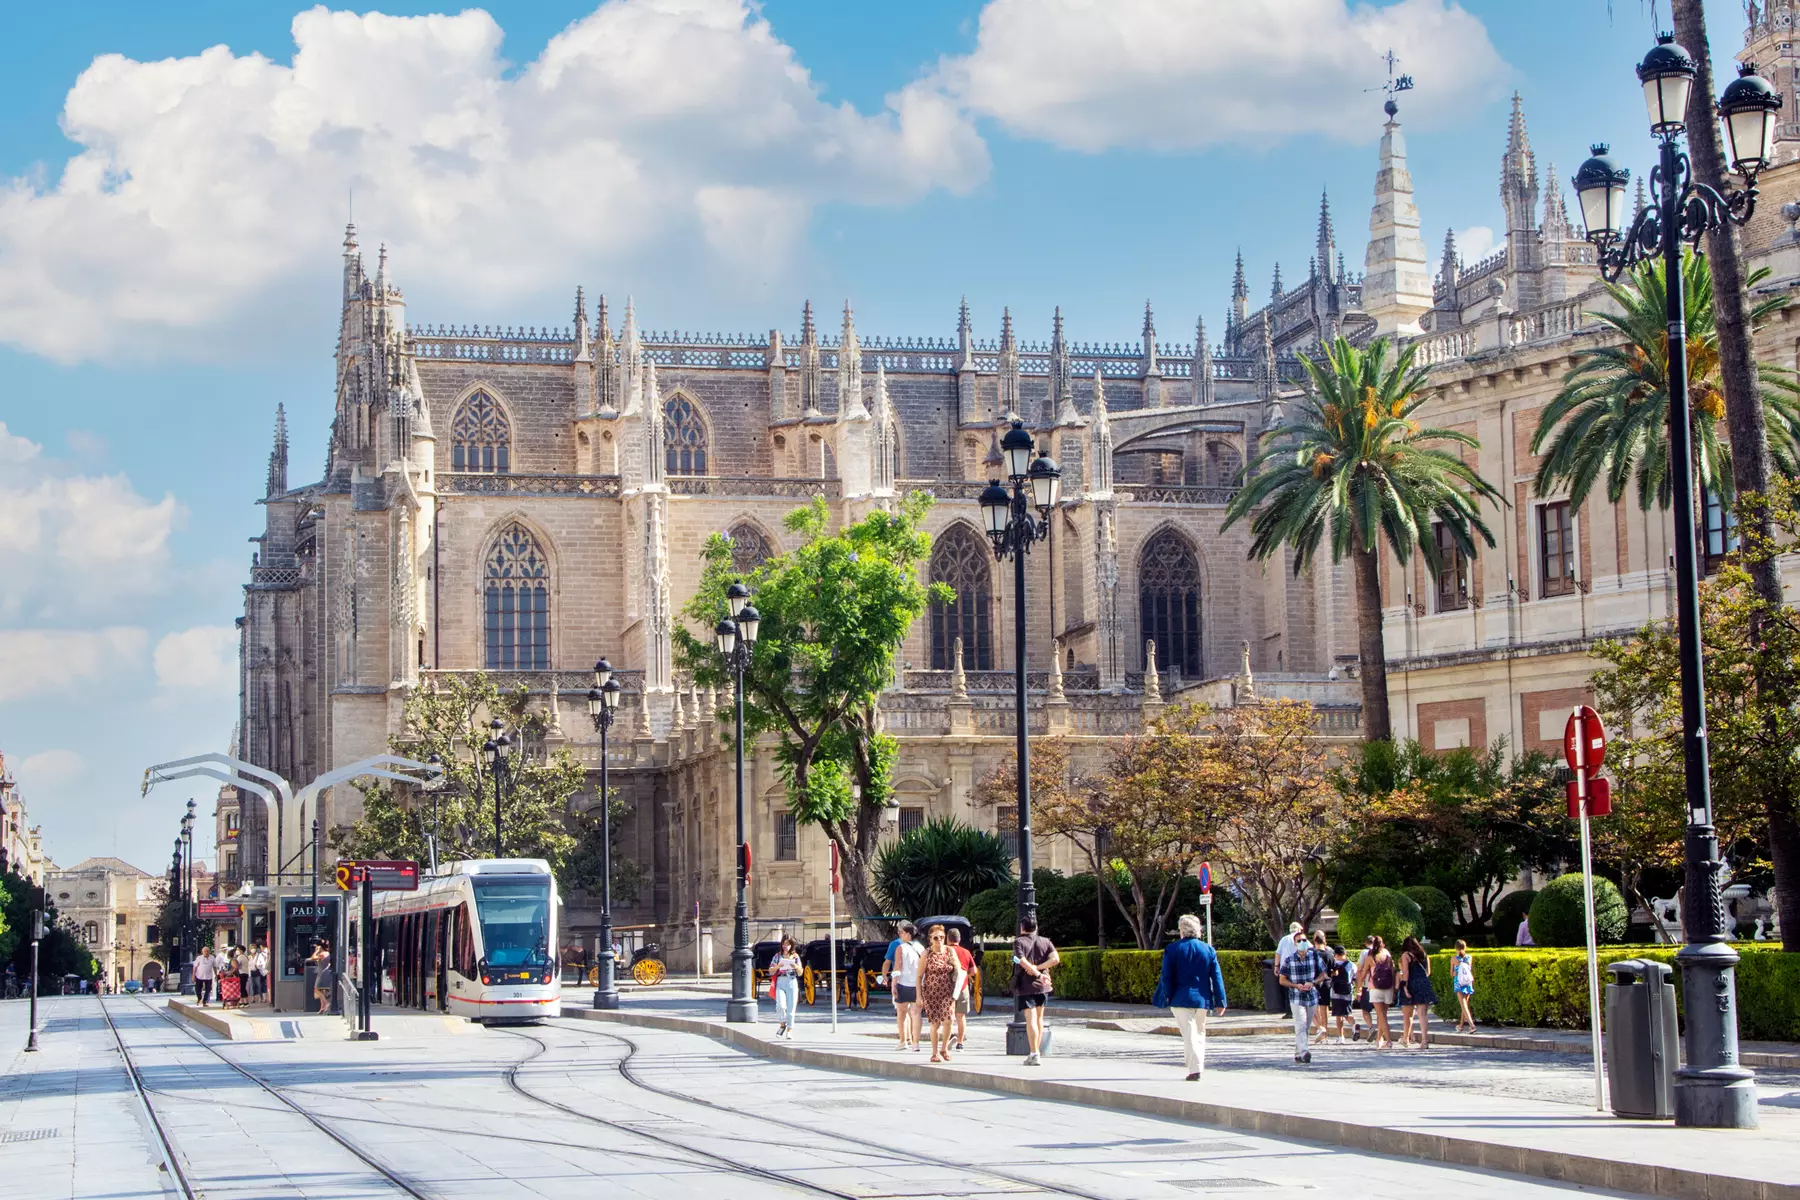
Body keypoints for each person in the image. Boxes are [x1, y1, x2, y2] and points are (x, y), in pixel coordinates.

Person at [1151, 913, 1228, 1081]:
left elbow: (1166, 977)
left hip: (1180, 999)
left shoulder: (1172, 949)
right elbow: (1216, 977)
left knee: (1189, 1035)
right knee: (1200, 1034)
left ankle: (1195, 1069)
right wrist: (1221, 1000)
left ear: (1182, 930)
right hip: (1202, 999)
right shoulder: (1208, 949)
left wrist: (1166, 996)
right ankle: (1197, 1066)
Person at [1276, 929, 1330, 1064]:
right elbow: (1282, 979)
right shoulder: (1289, 960)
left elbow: (1324, 974)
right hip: (1296, 996)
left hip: (1311, 996)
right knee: (1300, 1023)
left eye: (1304, 940)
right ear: (1294, 944)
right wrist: (1296, 986)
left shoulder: (1315, 956)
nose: (1302, 943)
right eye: (1299, 941)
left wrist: (1313, 982)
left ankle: (1298, 1052)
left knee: (1306, 1025)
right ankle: (1305, 1051)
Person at [1012, 916, 1059, 1067]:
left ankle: (1034, 1053)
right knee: (1039, 1019)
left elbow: (1022, 961)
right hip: (1043, 986)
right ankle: (1036, 1052)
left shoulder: (1019, 941)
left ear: (1022, 928)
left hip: (1026, 985)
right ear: (1036, 927)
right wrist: (1040, 970)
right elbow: (1055, 959)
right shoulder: (1046, 941)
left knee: (1030, 1019)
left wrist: (1035, 972)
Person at [916, 924, 966, 1063]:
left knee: (949, 1020)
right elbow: (919, 976)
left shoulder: (950, 951)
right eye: (936, 938)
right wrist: (919, 996)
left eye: (942, 937)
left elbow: (957, 969)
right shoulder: (927, 953)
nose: (939, 940)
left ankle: (944, 1048)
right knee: (935, 1024)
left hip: (947, 993)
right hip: (931, 993)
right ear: (930, 939)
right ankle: (934, 1052)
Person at [881, 922, 923, 1050]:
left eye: (902, 933)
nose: (900, 935)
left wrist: (893, 984)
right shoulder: (921, 948)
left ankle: (903, 1040)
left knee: (901, 1014)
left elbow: (897, 968)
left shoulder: (901, 948)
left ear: (908, 934)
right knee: (916, 1014)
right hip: (918, 985)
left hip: (903, 984)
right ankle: (916, 1043)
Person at [1356, 934, 1396, 1049]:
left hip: (1375, 987)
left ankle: (1388, 1040)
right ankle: (1379, 1039)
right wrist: (1393, 988)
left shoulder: (1370, 957)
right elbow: (1392, 971)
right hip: (1388, 987)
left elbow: (1363, 974)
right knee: (1383, 1015)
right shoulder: (1387, 955)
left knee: (1380, 1015)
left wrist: (1359, 986)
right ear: (1383, 944)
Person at [1397, 935, 1436, 1049]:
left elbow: (1406, 974)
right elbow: (1428, 972)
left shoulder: (1406, 955)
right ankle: (1424, 1041)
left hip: (1411, 984)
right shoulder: (1424, 954)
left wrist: (1404, 987)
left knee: (1408, 1014)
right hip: (1424, 984)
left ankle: (1406, 1039)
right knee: (1423, 1014)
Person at [946, 927, 975, 1051]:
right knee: (960, 1016)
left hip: (947, 987)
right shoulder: (966, 952)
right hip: (962, 987)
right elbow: (973, 971)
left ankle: (946, 1041)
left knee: (948, 1016)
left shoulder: (945, 951)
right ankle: (960, 1043)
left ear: (948, 939)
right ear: (959, 939)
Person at [769, 935, 803, 1039]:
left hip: (792, 981)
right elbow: (771, 970)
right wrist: (778, 966)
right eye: (784, 944)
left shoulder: (795, 956)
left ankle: (789, 1030)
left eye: (788, 944)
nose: (785, 946)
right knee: (780, 1005)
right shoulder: (778, 956)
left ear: (791, 945)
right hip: (781, 980)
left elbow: (801, 972)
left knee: (791, 1008)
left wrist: (795, 967)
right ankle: (782, 1024)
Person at [1327, 946, 1355, 1043]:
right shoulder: (1351, 965)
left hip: (1336, 992)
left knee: (1339, 1015)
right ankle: (1354, 1025)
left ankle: (1341, 1037)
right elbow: (1355, 978)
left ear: (1336, 955)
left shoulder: (1334, 965)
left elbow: (1329, 976)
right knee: (1347, 1012)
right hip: (1348, 992)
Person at [1350, 935, 1376, 1041]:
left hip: (1368, 985)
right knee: (1381, 1012)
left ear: (1366, 943)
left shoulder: (1365, 953)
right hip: (1383, 985)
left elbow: (1359, 970)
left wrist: (1359, 987)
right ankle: (1383, 1036)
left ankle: (1371, 1027)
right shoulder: (1384, 952)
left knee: (1365, 1010)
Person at [1451, 940, 1476, 1033]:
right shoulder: (1469, 957)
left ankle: (1472, 1025)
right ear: (1465, 947)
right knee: (1464, 1005)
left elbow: (1452, 974)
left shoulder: (1454, 959)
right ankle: (1461, 1026)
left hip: (1459, 983)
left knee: (1463, 1005)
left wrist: (1455, 972)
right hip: (1468, 982)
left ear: (1455, 948)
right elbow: (1469, 969)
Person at [307, 941, 334, 1012]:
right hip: (323, 972)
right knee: (322, 991)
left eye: (316, 946)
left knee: (317, 989)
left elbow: (313, 958)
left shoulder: (322, 954)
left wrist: (316, 951)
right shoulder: (326, 953)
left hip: (323, 973)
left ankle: (326, 1003)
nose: (315, 947)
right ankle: (322, 1008)